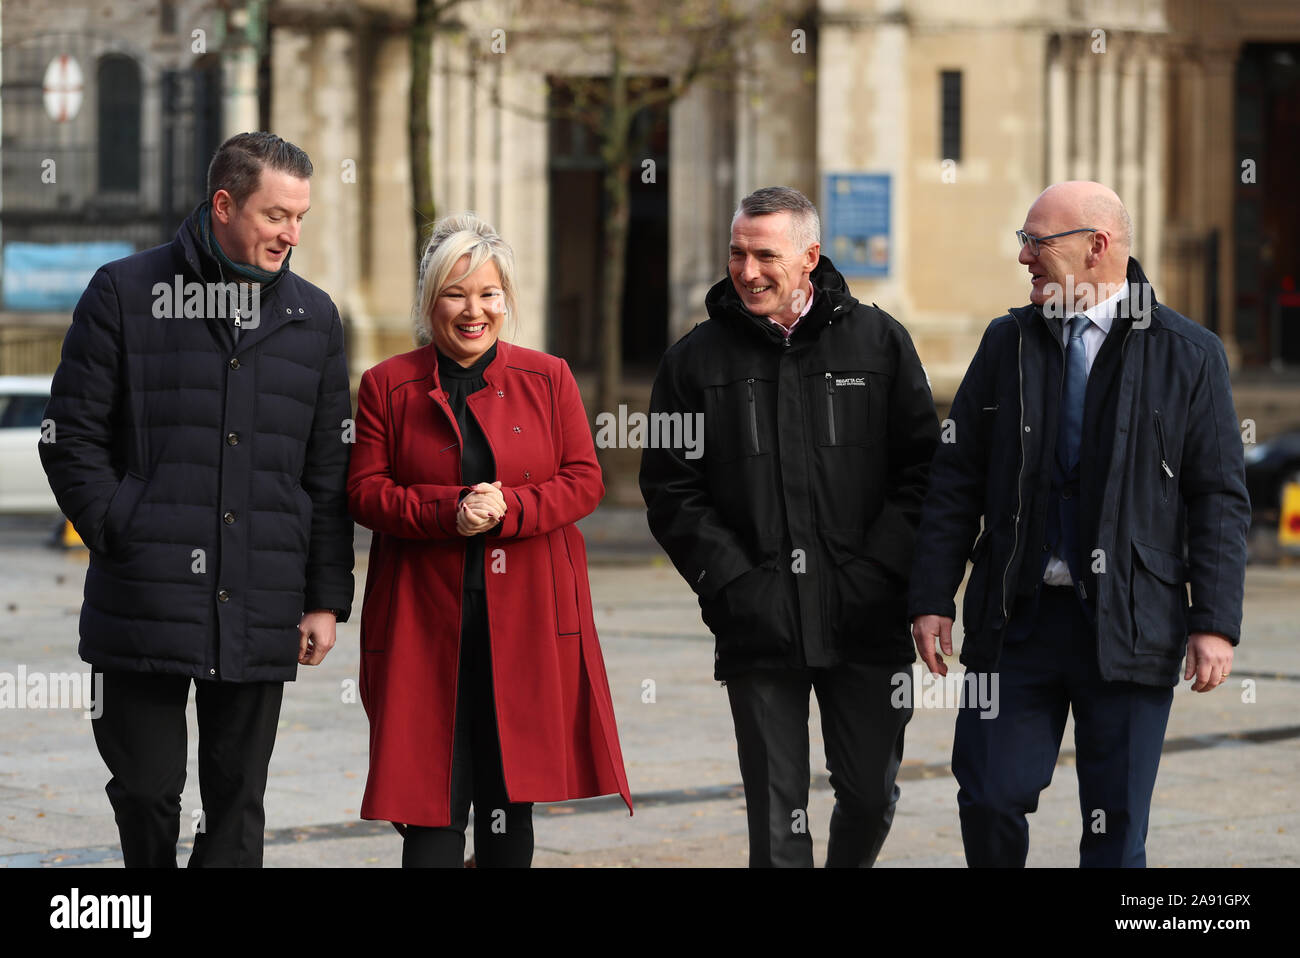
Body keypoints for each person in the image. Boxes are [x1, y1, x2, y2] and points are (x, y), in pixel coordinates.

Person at [908, 181, 1250, 868]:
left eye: (1037, 242)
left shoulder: (1189, 353)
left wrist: (1214, 621)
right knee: (988, 797)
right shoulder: (1006, 343)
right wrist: (930, 597)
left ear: (1096, 248)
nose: (1024, 257)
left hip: (1131, 624)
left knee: (1116, 829)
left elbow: (1218, 498)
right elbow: (956, 478)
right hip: (1017, 623)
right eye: (1023, 241)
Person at [39, 132, 355, 867]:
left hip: (262, 598)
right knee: (147, 791)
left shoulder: (316, 319)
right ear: (223, 203)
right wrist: (124, 525)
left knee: (237, 806)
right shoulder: (123, 292)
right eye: (277, 215)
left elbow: (326, 473)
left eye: (301, 217)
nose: (292, 234)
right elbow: (69, 437)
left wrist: (323, 599)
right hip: (143, 599)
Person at [639, 186, 940, 867]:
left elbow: (923, 472)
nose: (747, 271)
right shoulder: (692, 361)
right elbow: (669, 488)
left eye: (765, 255)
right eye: (738, 254)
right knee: (778, 823)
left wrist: (877, 574)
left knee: (869, 796)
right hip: (759, 620)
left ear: (809, 258)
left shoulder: (881, 342)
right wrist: (737, 586)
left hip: (866, 617)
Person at [347, 212, 632, 867]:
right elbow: (365, 493)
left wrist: (512, 508)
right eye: (455, 294)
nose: (473, 310)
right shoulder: (386, 385)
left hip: (527, 623)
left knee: (509, 811)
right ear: (429, 302)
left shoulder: (549, 378)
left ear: (506, 300)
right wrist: (447, 512)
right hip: (422, 625)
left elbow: (585, 481)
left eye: (488, 294)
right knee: (428, 815)